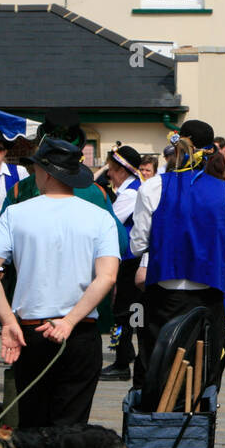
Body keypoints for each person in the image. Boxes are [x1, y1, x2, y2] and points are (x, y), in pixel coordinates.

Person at [0, 138, 120, 427]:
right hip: (79, 330)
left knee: (32, 425)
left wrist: (7, 320)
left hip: (30, 330)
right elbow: (107, 276)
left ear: (44, 173)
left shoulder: (16, 214)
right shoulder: (99, 217)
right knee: (71, 426)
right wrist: (68, 321)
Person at [131, 120, 225, 393]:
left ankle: (157, 425)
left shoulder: (152, 188)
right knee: (201, 375)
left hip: (163, 296)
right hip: (208, 295)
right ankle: (195, 428)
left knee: (157, 371)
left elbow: (138, 245)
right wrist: (223, 265)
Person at [100, 145, 145, 381]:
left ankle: (121, 361)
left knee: (122, 312)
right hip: (133, 260)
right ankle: (126, 355)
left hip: (130, 260)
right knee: (129, 312)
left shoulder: (130, 193)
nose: (108, 174)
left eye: (111, 169)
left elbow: (108, 221)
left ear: (120, 170)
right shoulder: (135, 189)